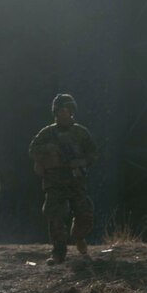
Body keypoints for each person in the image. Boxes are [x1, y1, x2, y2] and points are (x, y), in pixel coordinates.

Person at [29, 93, 98, 265]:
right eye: (59, 110)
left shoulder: (81, 132)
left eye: (65, 110)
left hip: (76, 180)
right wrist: (48, 148)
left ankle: (78, 237)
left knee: (84, 214)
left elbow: (93, 153)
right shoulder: (47, 133)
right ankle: (58, 253)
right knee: (55, 217)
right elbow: (33, 150)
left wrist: (81, 162)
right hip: (54, 181)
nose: (62, 113)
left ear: (71, 111)